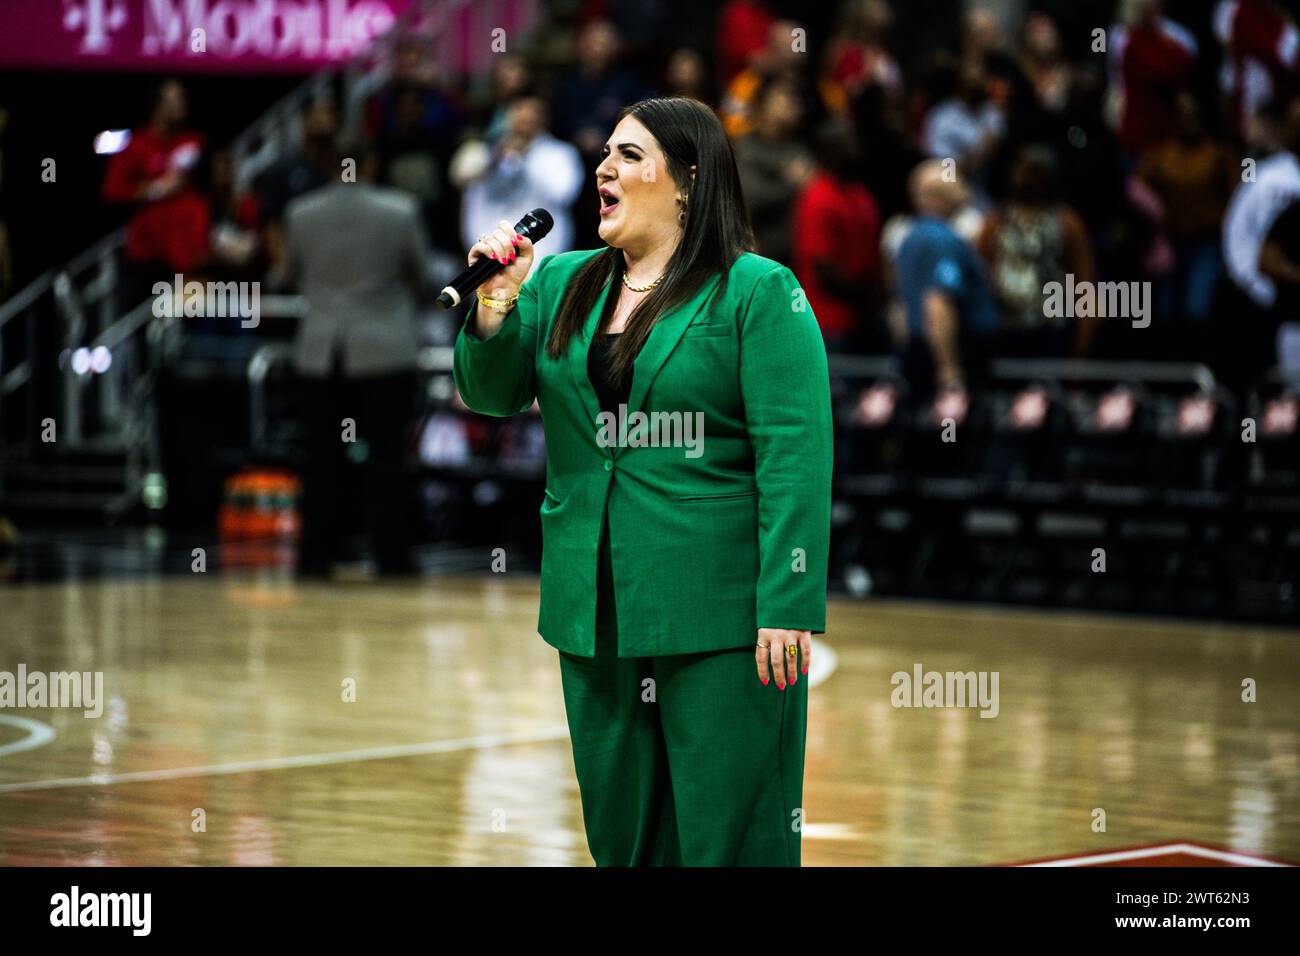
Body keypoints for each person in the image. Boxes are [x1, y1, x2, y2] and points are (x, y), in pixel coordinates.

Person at [452, 96, 832, 866]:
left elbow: (794, 450)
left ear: (688, 181)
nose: (605, 168)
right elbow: (491, 395)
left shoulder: (756, 291)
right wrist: (497, 303)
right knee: (623, 841)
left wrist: (787, 601)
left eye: (630, 155)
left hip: (720, 615)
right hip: (593, 605)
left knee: (730, 838)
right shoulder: (559, 282)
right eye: (605, 154)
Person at [284, 138, 430, 577]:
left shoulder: (300, 212)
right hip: (384, 350)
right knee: (387, 458)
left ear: (329, 162)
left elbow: (289, 274)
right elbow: (421, 275)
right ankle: (391, 556)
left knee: (320, 459)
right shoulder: (400, 210)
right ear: (370, 161)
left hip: (321, 351)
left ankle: (316, 557)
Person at [895, 159, 1001, 396]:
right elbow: (938, 303)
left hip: (919, 351)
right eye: (956, 184)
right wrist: (949, 369)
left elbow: (900, 308)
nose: (964, 191)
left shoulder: (908, 238)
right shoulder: (942, 240)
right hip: (952, 355)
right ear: (938, 196)